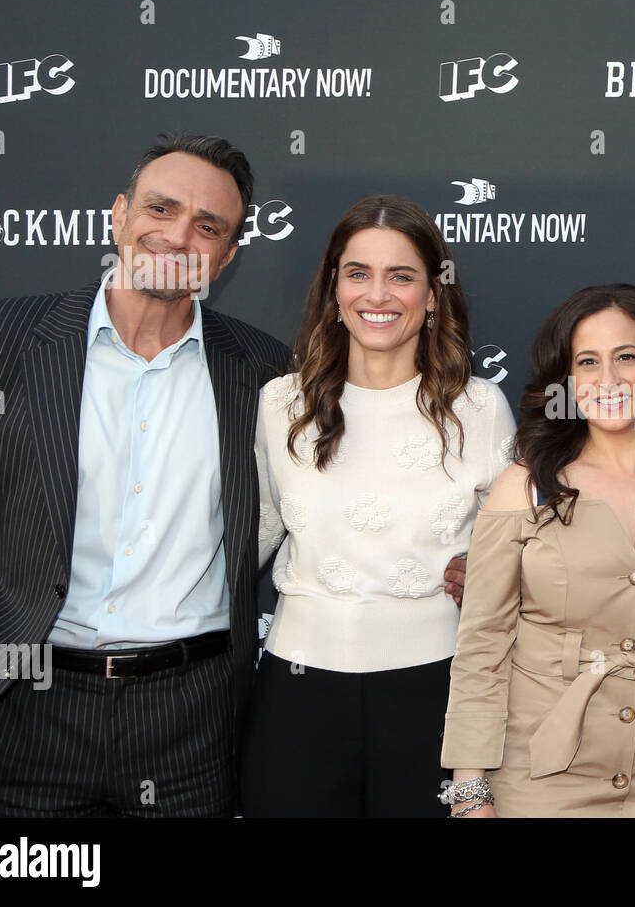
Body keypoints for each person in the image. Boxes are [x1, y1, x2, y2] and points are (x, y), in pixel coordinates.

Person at [0, 133, 291, 816]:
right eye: (160, 209)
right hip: (23, 707)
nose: (175, 236)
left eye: (207, 226)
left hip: (190, 721)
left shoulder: (262, 371)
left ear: (227, 256)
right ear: (118, 215)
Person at [240, 194, 515, 817]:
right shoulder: (281, 404)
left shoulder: (479, 409)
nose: (378, 295)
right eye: (358, 273)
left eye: (402, 276)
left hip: (438, 691)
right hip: (297, 693)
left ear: (435, 294)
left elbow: (522, 554)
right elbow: (246, 541)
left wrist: (495, 572)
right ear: (333, 289)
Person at [441, 284, 635, 817]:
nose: (609, 380)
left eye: (626, 357)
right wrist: (469, 795)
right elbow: (482, 651)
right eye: (588, 362)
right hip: (544, 778)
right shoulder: (525, 487)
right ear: (567, 381)